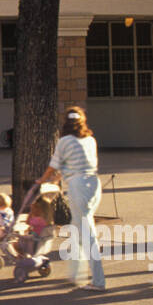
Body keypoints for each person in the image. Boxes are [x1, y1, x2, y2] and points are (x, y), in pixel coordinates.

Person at [37, 106, 106, 291]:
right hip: (93, 184)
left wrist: (41, 181)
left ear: (65, 123)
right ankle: (77, 273)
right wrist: (59, 177)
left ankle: (98, 281)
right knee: (78, 228)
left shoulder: (65, 141)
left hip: (78, 187)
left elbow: (53, 167)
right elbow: (78, 164)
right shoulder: (90, 140)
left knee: (86, 232)